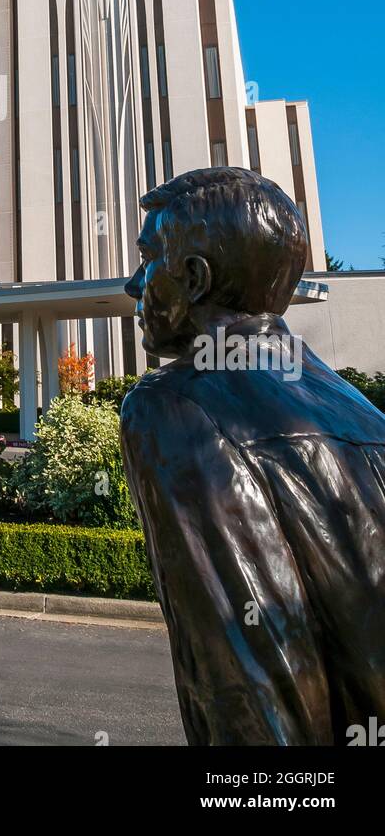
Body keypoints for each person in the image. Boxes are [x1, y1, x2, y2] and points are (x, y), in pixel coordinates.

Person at [121, 168, 385, 746]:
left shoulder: (176, 407)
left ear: (193, 279)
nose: (134, 285)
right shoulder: (360, 412)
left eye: (147, 261)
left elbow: (252, 678)